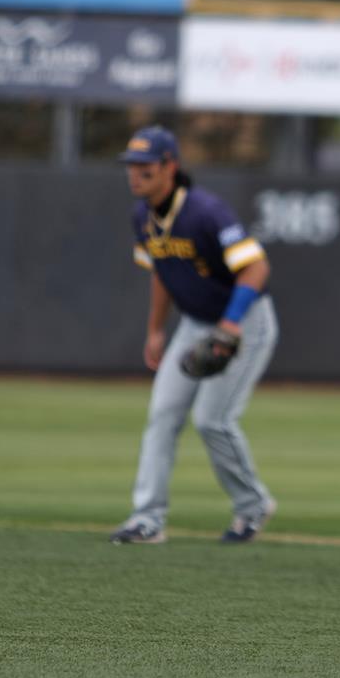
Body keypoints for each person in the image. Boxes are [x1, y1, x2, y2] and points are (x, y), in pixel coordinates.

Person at [110, 126, 279, 545]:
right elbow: (162, 273)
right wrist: (154, 330)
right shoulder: (142, 217)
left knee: (212, 420)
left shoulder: (205, 212)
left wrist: (232, 324)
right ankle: (147, 518)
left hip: (244, 321)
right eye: (131, 166)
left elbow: (256, 268)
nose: (135, 174)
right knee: (162, 415)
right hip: (193, 324)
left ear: (170, 166)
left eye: (145, 166)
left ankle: (253, 504)